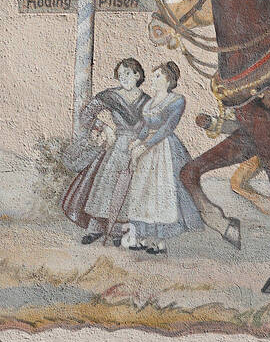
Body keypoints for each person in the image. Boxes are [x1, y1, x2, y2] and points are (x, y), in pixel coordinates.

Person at [61, 58, 148, 244]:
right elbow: (85, 114)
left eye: (127, 73)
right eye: (120, 74)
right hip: (115, 146)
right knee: (105, 187)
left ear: (137, 75)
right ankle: (96, 229)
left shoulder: (147, 102)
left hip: (137, 149)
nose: (123, 78)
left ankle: (120, 232)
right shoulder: (111, 96)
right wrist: (104, 128)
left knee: (131, 192)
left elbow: (155, 125)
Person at [122, 61, 202, 254]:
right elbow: (145, 127)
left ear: (168, 79)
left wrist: (145, 145)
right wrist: (136, 142)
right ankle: (141, 236)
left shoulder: (177, 100)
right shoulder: (150, 103)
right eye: (154, 76)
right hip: (147, 150)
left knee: (163, 194)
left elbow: (167, 128)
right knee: (144, 193)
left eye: (158, 76)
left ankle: (160, 241)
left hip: (165, 149)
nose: (154, 79)